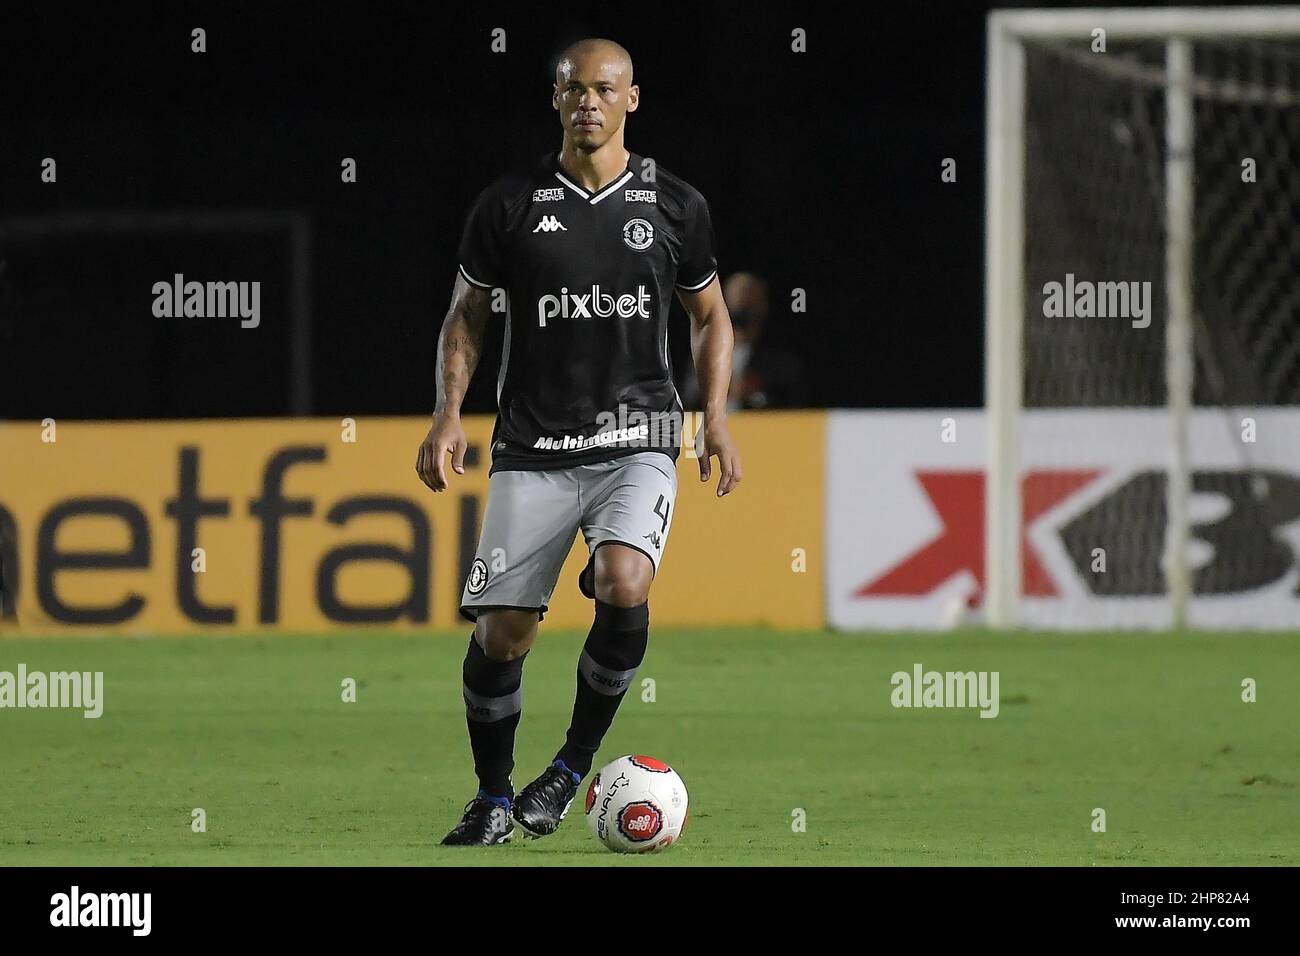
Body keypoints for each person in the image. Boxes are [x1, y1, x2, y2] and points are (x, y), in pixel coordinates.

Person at [416, 37, 742, 845]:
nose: (588, 102)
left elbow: (710, 316)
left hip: (642, 435)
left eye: (604, 88)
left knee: (623, 580)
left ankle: (569, 769)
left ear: (633, 99)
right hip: (534, 446)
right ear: (555, 99)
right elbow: (466, 315)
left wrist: (716, 417)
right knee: (504, 634)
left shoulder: (675, 206)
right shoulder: (508, 204)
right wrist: (448, 413)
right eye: (574, 89)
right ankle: (493, 797)